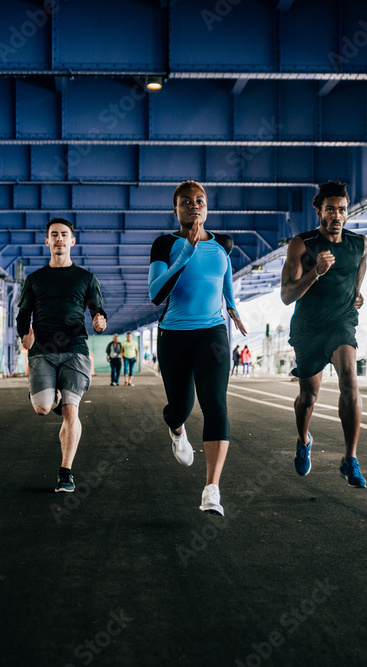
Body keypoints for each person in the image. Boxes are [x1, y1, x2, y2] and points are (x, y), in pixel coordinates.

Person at [149, 180, 247, 515]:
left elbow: (225, 280)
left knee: (215, 405)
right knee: (180, 408)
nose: (194, 206)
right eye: (186, 202)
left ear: (207, 207)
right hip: (174, 334)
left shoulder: (223, 244)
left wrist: (232, 308)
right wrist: (185, 256)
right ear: (175, 210)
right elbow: (156, 294)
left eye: (200, 201)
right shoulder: (165, 244)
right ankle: (176, 429)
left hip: (213, 333)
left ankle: (211, 490)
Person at [280, 181, 367, 487]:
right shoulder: (301, 244)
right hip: (308, 329)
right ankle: (303, 439)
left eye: (342, 209)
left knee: (350, 383)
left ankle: (350, 459)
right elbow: (287, 295)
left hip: (341, 325)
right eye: (330, 209)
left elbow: (357, 279)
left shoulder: (360, 244)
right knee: (308, 396)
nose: (336, 215)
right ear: (319, 211)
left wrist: (357, 296)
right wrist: (315, 273)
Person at [17, 217, 107, 493]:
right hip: (42, 351)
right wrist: (25, 334)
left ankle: (66, 471)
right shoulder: (35, 279)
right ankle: (52, 395)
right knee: (43, 408)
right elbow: (22, 314)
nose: (59, 239)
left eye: (63, 235)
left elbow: (97, 309)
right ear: (47, 241)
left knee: (71, 411)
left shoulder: (85, 278)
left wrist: (99, 321)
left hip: (75, 350)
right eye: (54, 235)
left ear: (72, 241)